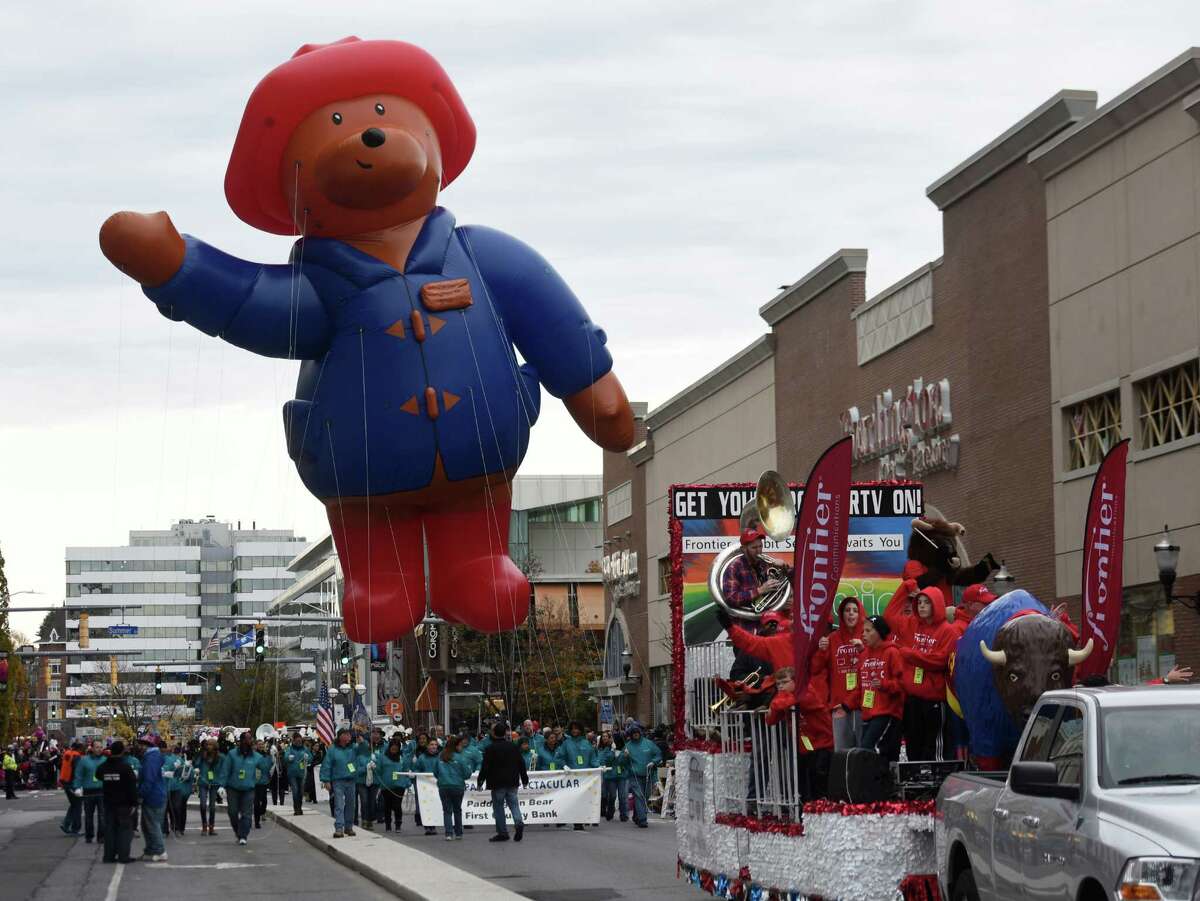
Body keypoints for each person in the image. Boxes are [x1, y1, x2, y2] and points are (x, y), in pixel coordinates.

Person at [884, 582, 955, 761]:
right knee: (913, 746)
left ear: (937, 604)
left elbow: (940, 660)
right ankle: (916, 783)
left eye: (927, 602)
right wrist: (905, 587)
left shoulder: (948, 631)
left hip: (934, 701)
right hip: (911, 699)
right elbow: (889, 615)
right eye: (920, 602)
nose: (922, 606)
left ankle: (934, 785)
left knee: (933, 747)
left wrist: (910, 654)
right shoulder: (912, 625)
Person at [818, 597, 866, 750]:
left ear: (860, 614)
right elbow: (817, 668)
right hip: (839, 705)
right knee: (841, 753)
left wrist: (862, 650)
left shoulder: (867, 637)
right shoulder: (832, 638)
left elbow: (874, 664)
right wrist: (822, 650)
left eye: (855, 611)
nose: (851, 614)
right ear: (841, 614)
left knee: (863, 752)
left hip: (863, 704)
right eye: (847, 610)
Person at [857, 616, 905, 763]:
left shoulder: (892, 652)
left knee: (869, 750)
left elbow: (902, 684)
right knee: (868, 752)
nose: (863, 634)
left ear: (878, 632)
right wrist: (846, 705)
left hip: (887, 712)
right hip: (868, 712)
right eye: (863, 631)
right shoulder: (863, 655)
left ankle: (878, 785)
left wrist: (885, 685)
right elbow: (861, 685)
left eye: (868, 630)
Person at [720, 526, 793, 613]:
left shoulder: (765, 562)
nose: (759, 551)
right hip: (746, 622)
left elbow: (789, 580)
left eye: (760, 546)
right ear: (743, 549)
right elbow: (731, 598)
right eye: (754, 548)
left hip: (769, 618)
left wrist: (784, 567)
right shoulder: (734, 567)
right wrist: (760, 590)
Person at [477, 721, 528, 843]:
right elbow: (521, 763)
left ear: (494, 733)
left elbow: (485, 766)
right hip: (512, 780)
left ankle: (502, 832)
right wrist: (525, 779)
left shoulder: (490, 749)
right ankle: (518, 822)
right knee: (514, 804)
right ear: (505, 733)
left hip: (497, 782)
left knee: (499, 807)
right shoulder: (513, 747)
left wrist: (480, 780)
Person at [220, 732, 266, 846]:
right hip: (233, 788)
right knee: (232, 812)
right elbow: (226, 770)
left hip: (248, 789)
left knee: (246, 814)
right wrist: (221, 785)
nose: (249, 741)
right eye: (247, 739)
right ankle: (238, 831)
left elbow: (265, 767)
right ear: (241, 741)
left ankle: (243, 835)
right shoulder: (231, 754)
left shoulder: (256, 756)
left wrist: (272, 757)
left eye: (250, 739)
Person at [96, 741, 138, 864]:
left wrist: (109, 779)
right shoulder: (126, 767)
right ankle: (123, 856)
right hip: (124, 804)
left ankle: (108, 856)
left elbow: (98, 775)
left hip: (109, 801)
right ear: (122, 752)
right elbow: (132, 786)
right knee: (124, 830)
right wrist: (134, 803)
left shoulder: (104, 766)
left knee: (110, 829)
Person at [320, 728, 362, 839]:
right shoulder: (332, 749)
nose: (349, 737)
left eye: (349, 735)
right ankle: (339, 828)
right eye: (346, 734)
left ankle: (349, 827)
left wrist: (362, 742)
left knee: (351, 805)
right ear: (340, 736)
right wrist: (326, 780)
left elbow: (365, 751)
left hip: (351, 780)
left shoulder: (353, 748)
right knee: (339, 804)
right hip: (338, 781)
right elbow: (327, 765)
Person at [556, 721, 595, 830]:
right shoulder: (566, 743)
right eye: (572, 728)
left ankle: (583, 818)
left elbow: (593, 759)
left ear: (580, 730)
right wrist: (564, 765)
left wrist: (599, 767)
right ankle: (577, 822)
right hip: (572, 777)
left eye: (577, 728)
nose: (574, 730)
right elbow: (559, 757)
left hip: (585, 777)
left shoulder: (586, 743)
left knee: (584, 799)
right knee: (575, 799)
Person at [623, 723, 662, 829]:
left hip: (648, 775)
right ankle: (642, 819)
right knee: (639, 795)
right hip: (634, 776)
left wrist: (653, 762)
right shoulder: (628, 746)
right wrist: (624, 756)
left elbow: (658, 754)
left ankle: (637, 815)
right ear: (631, 734)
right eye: (633, 733)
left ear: (640, 733)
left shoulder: (649, 744)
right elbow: (622, 762)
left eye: (637, 732)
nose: (635, 734)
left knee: (645, 796)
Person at [435, 735, 472, 841]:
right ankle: (459, 833)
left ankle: (448, 833)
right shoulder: (460, 757)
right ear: (456, 746)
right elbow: (467, 774)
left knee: (447, 811)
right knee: (457, 810)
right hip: (457, 786)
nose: (462, 747)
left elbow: (435, 772)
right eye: (460, 745)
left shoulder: (441, 756)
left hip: (444, 786)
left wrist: (442, 779)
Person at [137, 735, 167, 861]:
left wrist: (140, 794)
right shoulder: (153, 757)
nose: (140, 746)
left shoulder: (150, 759)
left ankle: (159, 850)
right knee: (147, 825)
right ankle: (150, 849)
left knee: (152, 825)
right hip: (157, 794)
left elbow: (149, 780)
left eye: (142, 744)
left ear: (148, 746)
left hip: (152, 795)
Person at [374, 737, 411, 832]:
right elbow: (378, 770)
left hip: (399, 785)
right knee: (387, 806)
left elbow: (406, 771)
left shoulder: (402, 758)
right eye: (392, 747)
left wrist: (407, 782)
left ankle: (398, 824)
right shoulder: (383, 757)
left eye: (396, 748)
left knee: (397, 805)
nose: (394, 749)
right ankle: (388, 824)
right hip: (386, 786)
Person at [73, 740, 107, 845]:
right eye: (97, 747)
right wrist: (77, 787)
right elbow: (78, 774)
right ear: (91, 748)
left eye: (101, 747)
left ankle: (101, 836)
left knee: (103, 816)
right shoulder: (84, 760)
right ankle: (89, 835)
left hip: (102, 791)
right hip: (88, 792)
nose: (99, 749)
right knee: (88, 816)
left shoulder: (105, 760)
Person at [410, 737, 442, 835]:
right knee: (426, 805)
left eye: (435, 745)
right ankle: (427, 826)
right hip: (424, 785)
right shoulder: (422, 757)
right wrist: (415, 773)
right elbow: (416, 769)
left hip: (436, 785)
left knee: (435, 805)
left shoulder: (440, 757)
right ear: (427, 746)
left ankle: (433, 825)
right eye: (431, 744)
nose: (434, 747)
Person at [597, 732, 628, 822]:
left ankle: (624, 815)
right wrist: (612, 751)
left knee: (622, 796)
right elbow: (607, 760)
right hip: (611, 776)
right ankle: (610, 811)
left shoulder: (624, 749)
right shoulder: (609, 748)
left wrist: (626, 756)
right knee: (612, 796)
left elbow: (625, 763)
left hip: (622, 776)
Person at [197, 740, 224, 835]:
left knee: (212, 807)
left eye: (210, 745)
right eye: (207, 744)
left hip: (214, 783)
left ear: (215, 746)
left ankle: (211, 827)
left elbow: (223, 770)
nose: (208, 746)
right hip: (203, 782)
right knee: (203, 805)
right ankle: (204, 825)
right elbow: (195, 765)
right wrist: (200, 755)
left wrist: (222, 784)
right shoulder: (202, 756)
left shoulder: (220, 757)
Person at [284, 732, 313, 816]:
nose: (298, 743)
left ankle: (299, 807)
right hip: (292, 774)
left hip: (302, 774)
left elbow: (311, 758)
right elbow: (285, 757)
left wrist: (308, 757)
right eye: (297, 741)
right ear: (293, 741)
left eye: (300, 741)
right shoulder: (290, 749)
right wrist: (288, 758)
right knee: (295, 791)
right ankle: (296, 809)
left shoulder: (304, 749)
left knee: (300, 792)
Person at [59, 740, 83, 835]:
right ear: (79, 748)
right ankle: (74, 829)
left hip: (65, 782)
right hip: (72, 783)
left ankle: (66, 824)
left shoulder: (67, 754)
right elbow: (77, 771)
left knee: (74, 805)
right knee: (77, 806)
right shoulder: (77, 756)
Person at [253, 739, 270, 828]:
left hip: (264, 780)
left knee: (264, 801)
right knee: (256, 802)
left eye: (262, 744)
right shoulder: (254, 755)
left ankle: (261, 813)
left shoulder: (266, 755)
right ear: (256, 746)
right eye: (259, 744)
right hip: (255, 782)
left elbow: (270, 765)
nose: (261, 746)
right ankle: (257, 821)